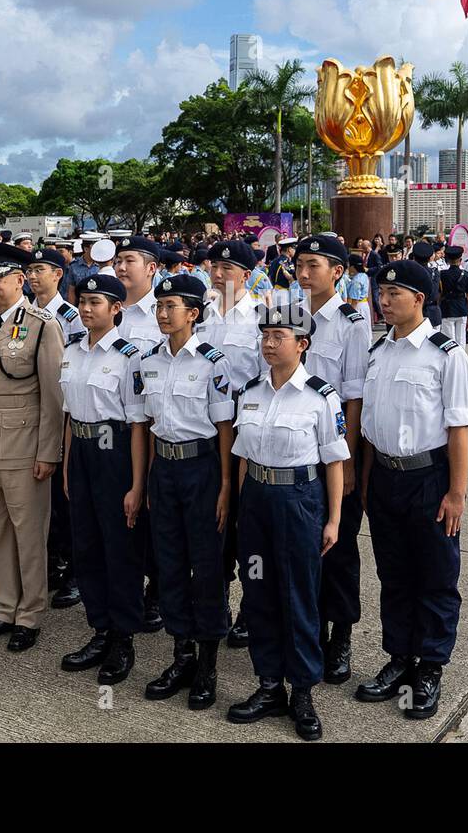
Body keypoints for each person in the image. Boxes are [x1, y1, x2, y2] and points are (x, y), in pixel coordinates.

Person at [356, 260, 468, 721]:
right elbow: (370, 427)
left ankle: (429, 667)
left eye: (393, 294)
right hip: (385, 477)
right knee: (394, 573)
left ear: (419, 299)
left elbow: (459, 429)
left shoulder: (447, 355)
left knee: (436, 577)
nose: (383, 302)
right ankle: (399, 657)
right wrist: (367, 480)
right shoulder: (378, 352)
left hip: (430, 480)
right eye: (380, 293)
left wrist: (457, 493)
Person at [226, 303, 347, 741]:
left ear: (303, 344)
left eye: (280, 336)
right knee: (258, 592)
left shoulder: (321, 396)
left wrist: (333, 519)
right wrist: (241, 509)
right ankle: (268, 685)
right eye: (266, 336)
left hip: (300, 501)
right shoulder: (252, 391)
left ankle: (302, 692)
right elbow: (241, 457)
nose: (270, 344)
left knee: (298, 596)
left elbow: (334, 462)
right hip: (257, 499)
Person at [0, 242, 65, 653]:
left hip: (23, 446)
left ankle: (30, 613)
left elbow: (53, 395)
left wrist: (48, 452)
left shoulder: (42, 325)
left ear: (19, 280)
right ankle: (4, 607)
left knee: (28, 533)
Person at [139, 274, 235, 709]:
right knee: (170, 564)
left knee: (207, 564)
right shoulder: (149, 361)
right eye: (159, 307)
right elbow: (144, 425)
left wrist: (226, 486)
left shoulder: (213, 363)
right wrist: (143, 482)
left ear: (193, 314)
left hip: (203, 470)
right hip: (165, 468)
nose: (162, 314)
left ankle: (208, 662)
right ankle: (182, 655)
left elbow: (224, 429)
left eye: (170, 307)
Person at [59, 274, 149, 684]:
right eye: (83, 301)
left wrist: (135, 484)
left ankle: (123, 637)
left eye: (96, 302)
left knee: (121, 548)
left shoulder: (130, 356)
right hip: (80, 452)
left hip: (115, 452)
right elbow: (68, 415)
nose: (87, 308)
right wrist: (66, 467)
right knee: (87, 546)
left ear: (117, 309)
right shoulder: (71, 350)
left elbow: (137, 423)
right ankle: (99, 630)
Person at [293, 234, 369, 684]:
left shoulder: (350, 322)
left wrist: (349, 459)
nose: (303, 273)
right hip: (295, 447)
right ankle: (310, 630)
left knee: (337, 548)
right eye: (299, 264)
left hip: (333, 450)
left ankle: (340, 635)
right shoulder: (291, 313)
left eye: (313, 265)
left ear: (337, 271)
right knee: (304, 546)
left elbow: (354, 397)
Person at [195, 239, 262, 647]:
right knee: (212, 524)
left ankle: (251, 610)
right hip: (204, 432)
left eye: (227, 269)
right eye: (214, 268)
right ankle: (216, 601)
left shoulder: (259, 318)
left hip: (244, 433)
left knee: (246, 528)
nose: (218, 276)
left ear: (246, 274)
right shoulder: (201, 316)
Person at [25, 246, 85, 609]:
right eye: (29, 270)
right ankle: (50, 560)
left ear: (58, 274)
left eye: (41, 270)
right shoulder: (25, 312)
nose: (33, 276)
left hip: (62, 410)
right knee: (40, 493)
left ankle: (73, 569)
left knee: (66, 497)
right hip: (31, 410)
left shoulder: (71, 315)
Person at [438, 245, 468, 345]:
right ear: (460, 260)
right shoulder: (465, 274)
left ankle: (450, 359)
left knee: (448, 339)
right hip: (462, 307)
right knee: (461, 339)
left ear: (447, 260)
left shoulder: (442, 274)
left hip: (447, 308)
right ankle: (461, 359)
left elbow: (439, 294)